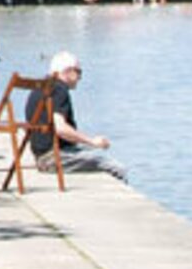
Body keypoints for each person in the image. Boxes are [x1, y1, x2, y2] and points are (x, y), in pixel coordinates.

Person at [26, 51, 127, 180]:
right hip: (54, 158)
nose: (80, 77)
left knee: (94, 151)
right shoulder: (59, 89)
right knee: (118, 168)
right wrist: (92, 141)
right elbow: (61, 128)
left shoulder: (41, 86)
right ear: (67, 72)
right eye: (78, 72)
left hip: (41, 154)